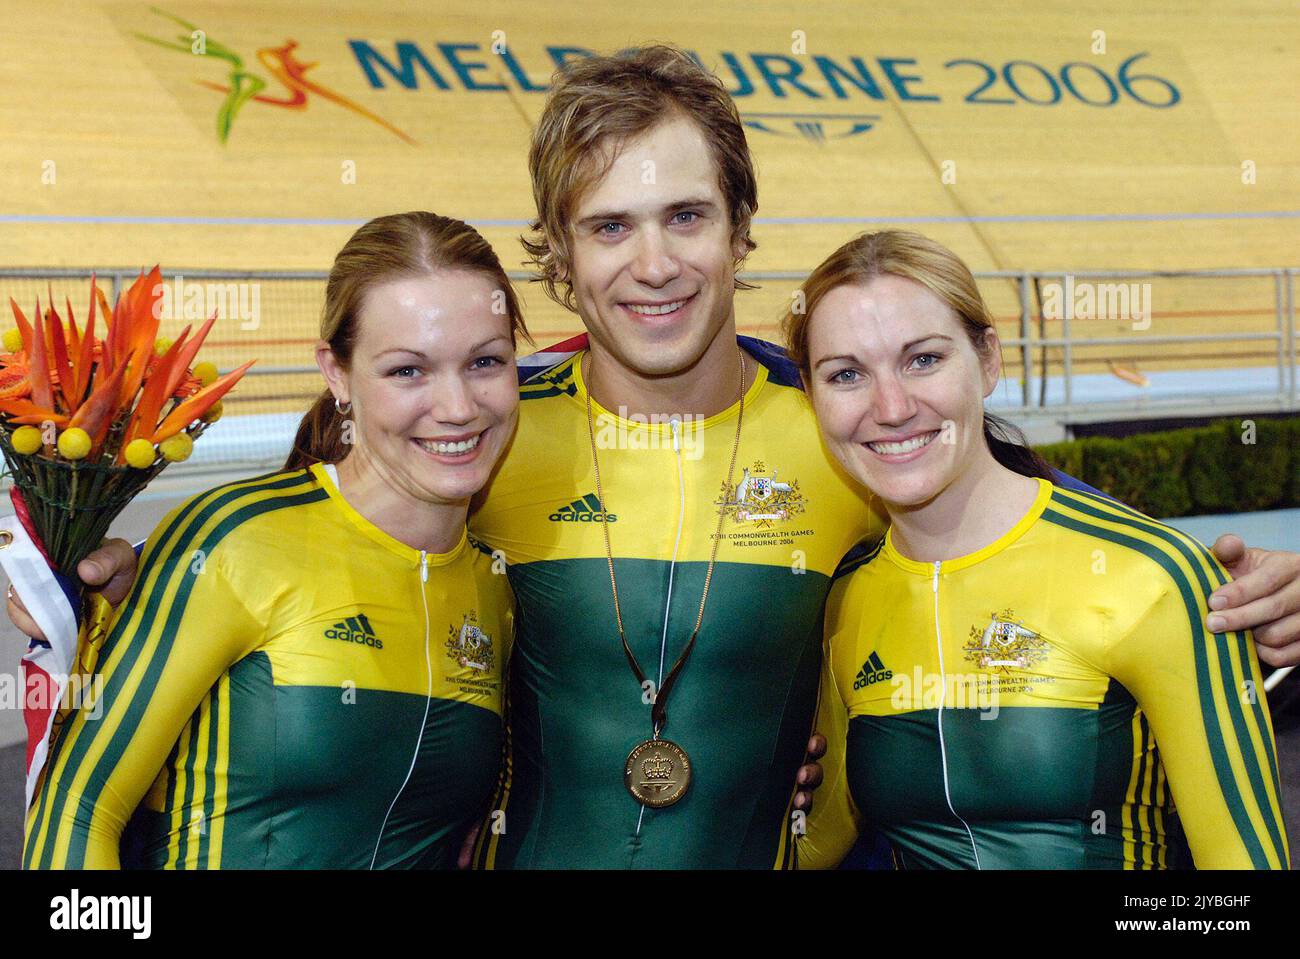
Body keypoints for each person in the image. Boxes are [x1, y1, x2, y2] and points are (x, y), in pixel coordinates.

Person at [14, 46, 1300, 870]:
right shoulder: (481, 424)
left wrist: (1236, 587)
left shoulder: (844, 422)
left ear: (743, 229)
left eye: (687, 214)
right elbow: (312, 527)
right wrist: (113, 576)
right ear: (557, 257)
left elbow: (1034, 539)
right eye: (609, 226)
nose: (654, 260)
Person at [22, 211, 524, 868]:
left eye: (485, 361)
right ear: (338, 374)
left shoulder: (495, 590)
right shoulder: (234, 540)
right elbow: (78, 811)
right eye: (408, 371)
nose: (458, 406)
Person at [785, 229, 1290, 868]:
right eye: (847, 374)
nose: (891, 407)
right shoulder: (846, 596)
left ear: (988, 359)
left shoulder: (1152, 576)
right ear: (811, 394)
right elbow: (815, 844)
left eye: (923, 360)